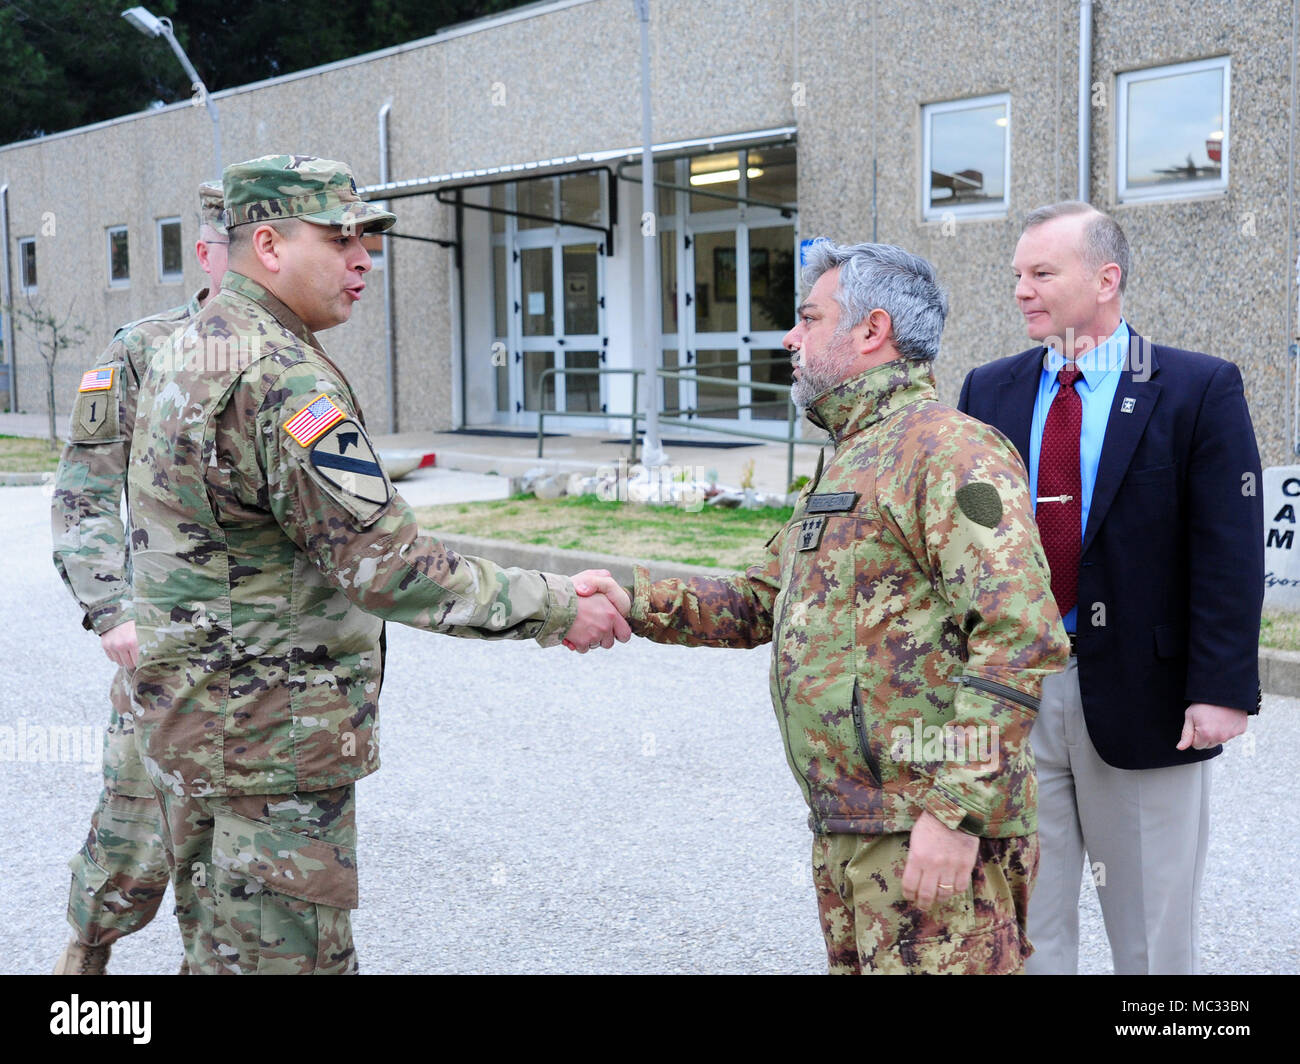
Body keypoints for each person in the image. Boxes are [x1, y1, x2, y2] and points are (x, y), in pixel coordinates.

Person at [126, 154, 630, 975]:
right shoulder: (283, 379)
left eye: (367, 240)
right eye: (341, 239)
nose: (365, 260)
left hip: (194, 732)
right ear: (269, 244)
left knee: (220, 954)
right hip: (270, 749)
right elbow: (390, 567)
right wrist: (558, 605)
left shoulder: (185, 348)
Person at [579, 240, 1069, 973]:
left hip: (925, 827)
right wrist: (633, 598)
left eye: (809, 318)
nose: (790, 337)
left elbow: (1019, 632)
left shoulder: (951, 451)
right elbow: (760, 601)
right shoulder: (854, 453)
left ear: (872, 330)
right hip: (852, 825)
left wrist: (955, 814)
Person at [957, 201, 1264, 974]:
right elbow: (964, 542)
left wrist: (1221, 688)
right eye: (1017, 274)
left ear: (1106, 278)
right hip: (1016, 694)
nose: (1022, 290)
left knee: (1152, 939)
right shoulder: (988, 391)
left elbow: (1228, 549)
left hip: (1145, 699)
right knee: (1026, 932)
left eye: (1042, 273)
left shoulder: (1196, 387)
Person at [50, 181, 230, 975]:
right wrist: (110, 607)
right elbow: (83, 493)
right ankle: (85, 964)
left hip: (270, 671)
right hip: (166, 655)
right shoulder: (143, 350)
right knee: (132, 844)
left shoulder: (295, 359)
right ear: (208, 254)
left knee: (241, 882)